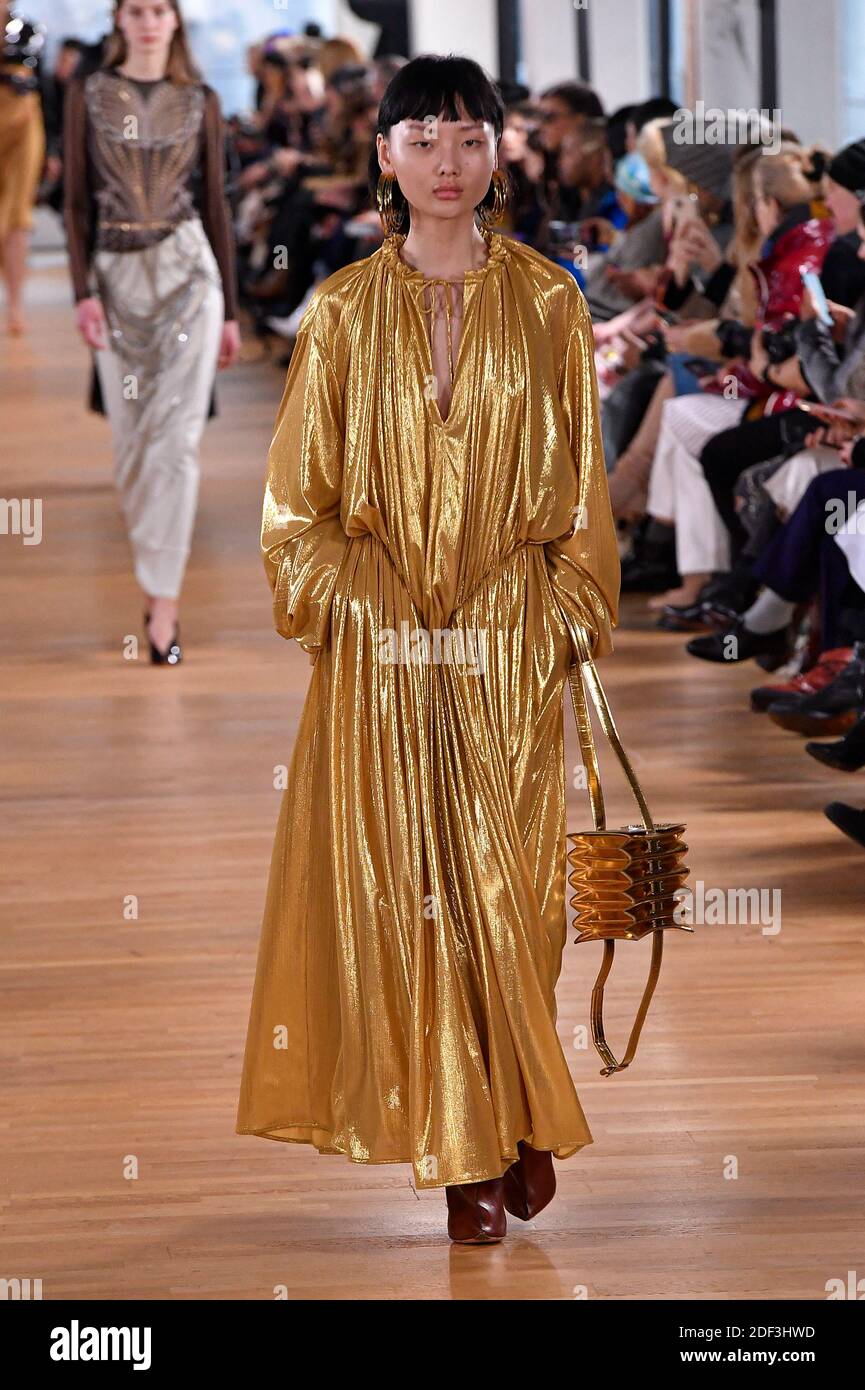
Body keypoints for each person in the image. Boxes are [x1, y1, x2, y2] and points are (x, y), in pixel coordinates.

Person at [235, 53, 621, 1245]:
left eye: (468, 137)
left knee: (512, 895)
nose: (446, 163)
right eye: (422, 138)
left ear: (498, 152)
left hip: (509, 642)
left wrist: (558, 617)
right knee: (418, 897)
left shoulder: (553, 301)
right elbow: (296, 510)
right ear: (385, 156)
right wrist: (367, 611)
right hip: (382, 645)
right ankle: (469, 1150)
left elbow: (585, 500)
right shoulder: (343, 310)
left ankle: (515, 1108)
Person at [63, 0, 241, 663]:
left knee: (178, 442)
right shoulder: (87, 94)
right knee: (132, 444)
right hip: (115, 275)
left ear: (173, 21)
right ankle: (153, 580)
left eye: (157, 9)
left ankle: (164, 607)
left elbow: (215, 200)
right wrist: (81, 292)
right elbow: (76, 201)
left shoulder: (201, 98)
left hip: (188, 273)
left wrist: (227, 309)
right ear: (119, 21)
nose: (146, 21)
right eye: (134, 10)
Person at [0, 4, 46, 335]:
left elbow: (36, 82)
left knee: (18, 216)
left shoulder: (27, 29)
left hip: (23, 127)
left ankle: (15, 303)